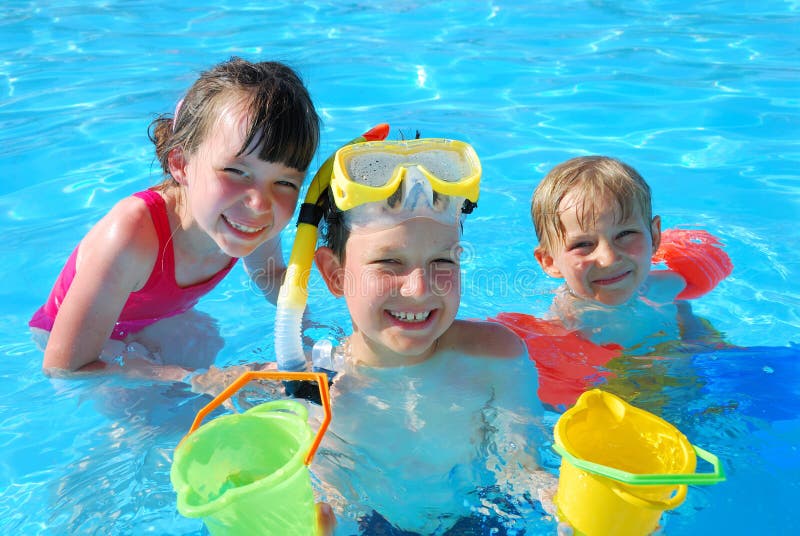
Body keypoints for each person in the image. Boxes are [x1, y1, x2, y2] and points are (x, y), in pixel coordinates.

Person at [308, 137, 553, 533]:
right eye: (389, 261)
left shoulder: (496, 356)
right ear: (335, 274)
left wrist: (555, 495)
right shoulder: (316, 385)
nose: (420, 289)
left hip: (480, 519)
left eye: (442, 259)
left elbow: (522, 464)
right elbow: (330, 495)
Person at [29, 57, 320, 378]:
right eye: (236, 171)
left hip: (164, 321)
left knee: (213, 348)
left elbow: (270, 276)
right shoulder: (131, 236)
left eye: (284, 182)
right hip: (86, 347)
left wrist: (305, 334)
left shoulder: (248, 218)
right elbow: (63, 368)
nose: (259, 203)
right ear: (181, 164)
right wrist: (214, 380)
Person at [491, 155, 732, 409]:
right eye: (583, 244)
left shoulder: (667, 289)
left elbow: (692, 329)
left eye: (625, 234)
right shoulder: (567, 328)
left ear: (654, 236)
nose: (608, 259)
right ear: (549, 261)